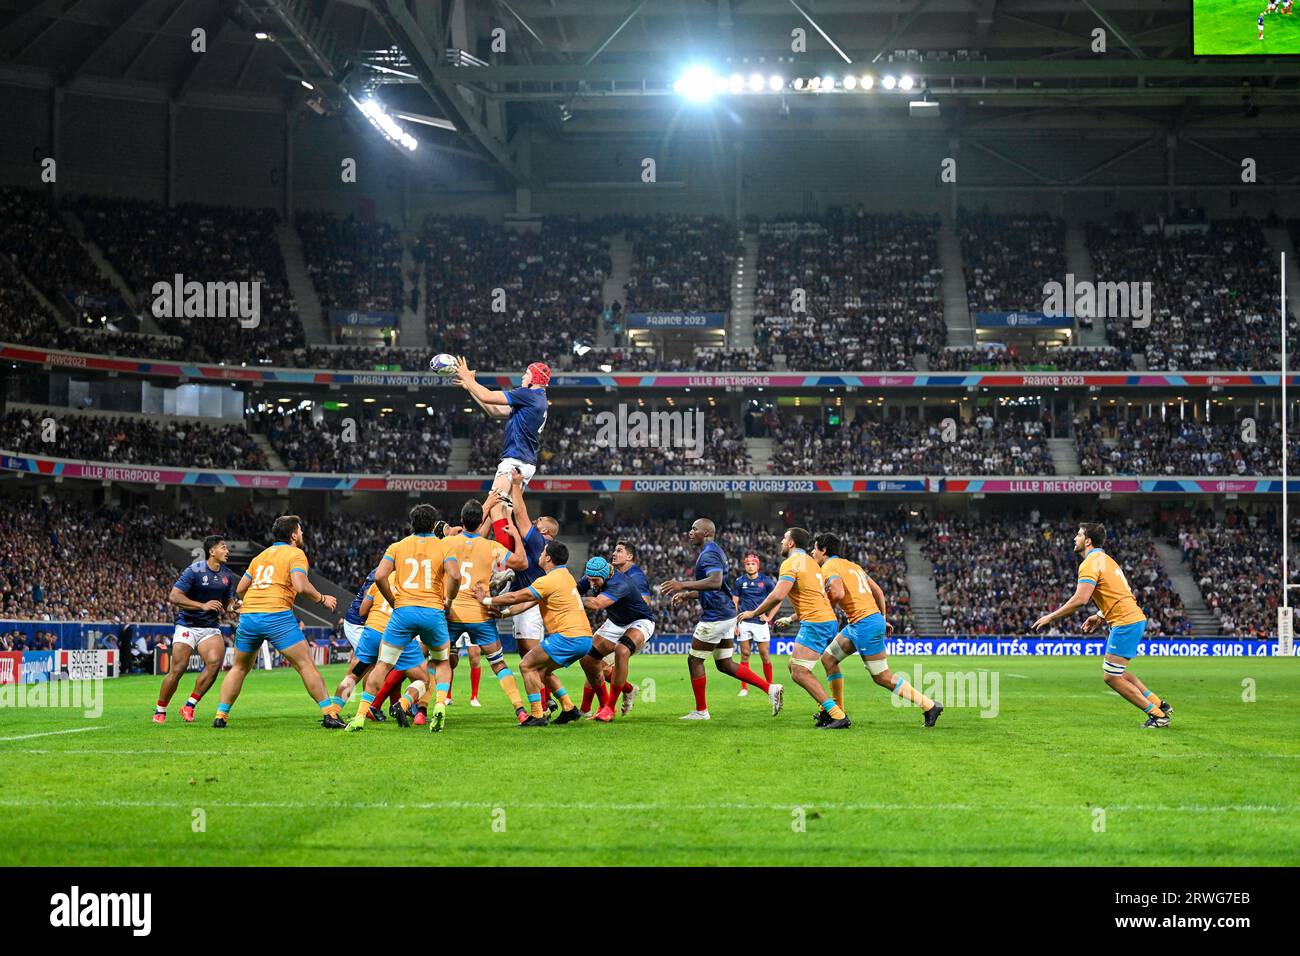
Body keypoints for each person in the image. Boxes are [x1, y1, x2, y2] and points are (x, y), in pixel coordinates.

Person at [1033, 522, 1171, 728]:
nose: (1074, 538)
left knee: (1111, 677)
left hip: (1125, 621)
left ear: (1088, 541)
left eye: (1078, 535)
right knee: (1118, 672)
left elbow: (1081, 599)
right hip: (1130, 618)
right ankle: (1160, 705)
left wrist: (1051, 617)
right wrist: (1099, 615)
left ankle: (1158, 716)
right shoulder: (1106, 560)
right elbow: (1122, 590)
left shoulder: (1089, 563)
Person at [214, 515, 341, 728]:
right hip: (276, 615)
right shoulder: (296, 554)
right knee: (305, 664)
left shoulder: (260, 556)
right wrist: (322, 598)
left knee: (239, 668)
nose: (302, 534)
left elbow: (241, 588)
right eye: (300, 531)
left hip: (249, 616)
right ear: (293, 535)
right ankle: (330, 714)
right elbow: (300, 585)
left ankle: (220, 716)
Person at [347, 504, 459, 733]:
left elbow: (380, 576)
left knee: (382, 665)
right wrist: (449, 601)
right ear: (432, 524)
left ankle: (359, 715)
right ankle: (439, 704)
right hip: (432, 612)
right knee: (442, 662)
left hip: (403, 613)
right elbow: (455, 575)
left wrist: (392, 600)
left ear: (412, 524)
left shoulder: (397, 546)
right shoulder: (444, 545)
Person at [812, 532, 942, 727]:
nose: (813, 552)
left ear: (823, 550)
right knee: (829, 658)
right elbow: (878, 591)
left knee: (882, 677)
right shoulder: (853, 566)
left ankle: (929, 705)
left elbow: (837, 593)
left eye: (815, 548)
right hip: (860, 623)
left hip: (865, 624)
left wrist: (823, 608)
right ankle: (837, 712)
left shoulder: (829, 566)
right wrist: (882, 618)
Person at [659, 517, 782, 720]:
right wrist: (688, 595)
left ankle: (701, 711)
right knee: (724, 663)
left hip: (715, 616)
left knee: (694, 660)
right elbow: (716, 586)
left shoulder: (709, 554)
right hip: (726, 614)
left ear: (706, 532)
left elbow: (715, 583)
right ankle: (770, 688)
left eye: (694, 529)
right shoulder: (714, 551)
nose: (690, 532)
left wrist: (683, 585)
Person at [479, 541, 597, 727]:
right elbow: (530, 602)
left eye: (542, 552)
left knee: (526, 665)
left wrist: (487, 600)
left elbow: (517, 596)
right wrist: (505, 613)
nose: (540, 555)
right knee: (543, 671)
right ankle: (569, 708)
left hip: (567, 637)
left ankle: (537, 714)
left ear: (548, 558)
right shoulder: (565, 576)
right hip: (584, 638)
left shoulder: (548, 580)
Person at [737, 527, 844, 728]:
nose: (781, 542)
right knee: (797, 667)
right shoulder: (813, 563)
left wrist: (752, 613)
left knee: (798, 671)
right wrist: (792, 618)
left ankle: (836, 714)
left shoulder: (791, 563)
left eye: (784, 538)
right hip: (828, 619)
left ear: (791, 543)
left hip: (815, 622)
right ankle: (828, 710)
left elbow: (778, 594)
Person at [443, 498, 530, 723]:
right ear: (482, 521)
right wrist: (516, 537)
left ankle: (424, 708)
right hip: (480, 614)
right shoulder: (492, 547)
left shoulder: (448, 543)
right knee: (498, 663)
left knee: (438, 662)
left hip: (451, 613)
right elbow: (522, 563)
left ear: (462, 520)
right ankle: (520, 710)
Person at [453, 357, 550, 528]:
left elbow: (488, 396)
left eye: (527, 373)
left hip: (514, 461)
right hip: (526, 464)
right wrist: (470, 388)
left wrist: (469, 378)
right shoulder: (538, 400)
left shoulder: (527, 394)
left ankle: (470, 542)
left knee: (494, 508)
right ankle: (501, 550)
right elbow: (494, 411)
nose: (523, 376)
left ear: (534, 378)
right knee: (503, 514)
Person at [153, 535, 237, 724]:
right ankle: (160, 709)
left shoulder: (227, 575)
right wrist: (202, 605)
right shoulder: (194, 570)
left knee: (215, 664)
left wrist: (234, 606)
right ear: (212, 551)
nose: (227, 551)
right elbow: (174, 596)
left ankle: (189, 705)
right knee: (178, 669)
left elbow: (228, 602)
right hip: (187, 626)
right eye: (223, 547)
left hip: (210, 628)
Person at [577, 549, 654, 722]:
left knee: (622, 650)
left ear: (604, 576)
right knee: (587, 660)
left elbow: (597, 603)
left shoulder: (620, 583)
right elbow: (574, 589)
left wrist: (570, 599)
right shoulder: (592, 577)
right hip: (615, 622)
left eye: (595, 580)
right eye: (589, 580)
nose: (592, 584)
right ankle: (604, 705)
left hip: (639, 621)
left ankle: (610, 707)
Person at [732, 553, 776, 698]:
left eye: (753, 564)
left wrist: (769, 617)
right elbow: (735, 603)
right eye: (748, 564)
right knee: (745, 655)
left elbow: (778, 599)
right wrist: (734, 624)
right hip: (744, 622)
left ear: (757, 565)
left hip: (760, 623)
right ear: (745, 566)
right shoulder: (739, 582)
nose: (750, 566)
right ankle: (744, 688)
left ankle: (769, 686)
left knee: (765, 655)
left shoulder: (766, 582)